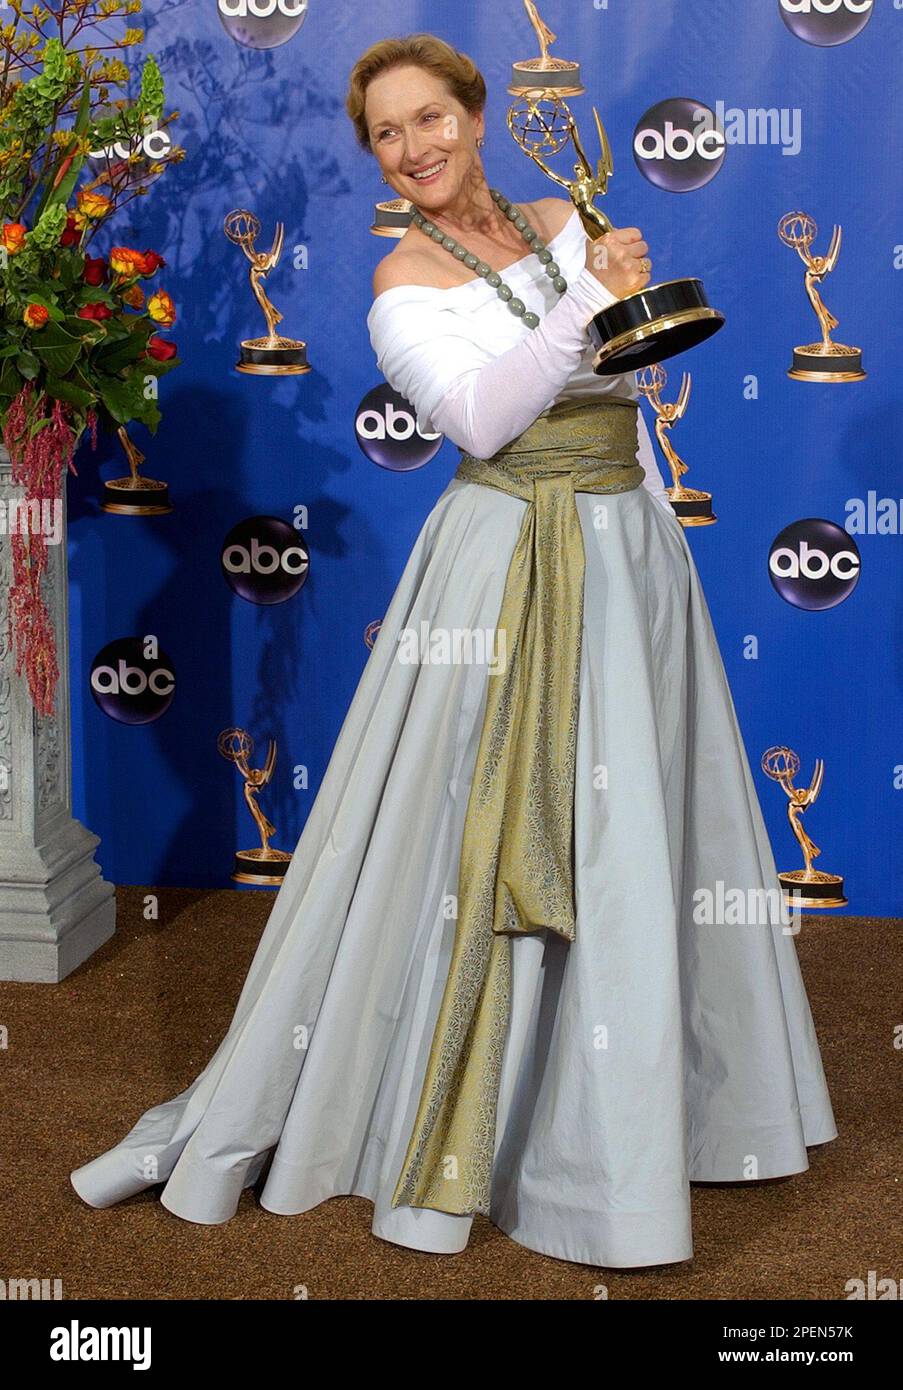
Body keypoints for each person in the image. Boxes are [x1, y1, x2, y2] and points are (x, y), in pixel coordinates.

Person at [70, 33, 837, 1270]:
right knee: (470, 839)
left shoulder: (556, 217)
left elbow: (614, 376)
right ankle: (492, 1129)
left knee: (638, 830)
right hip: (503, 569)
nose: (415, 147)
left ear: (478, 117)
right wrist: (591, 299)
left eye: (431, 118)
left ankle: (654, 1116)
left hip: (629, 547)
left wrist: (623, 297)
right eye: (387, 132)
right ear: (374, 153)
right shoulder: (398, 283)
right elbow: (484, 415)